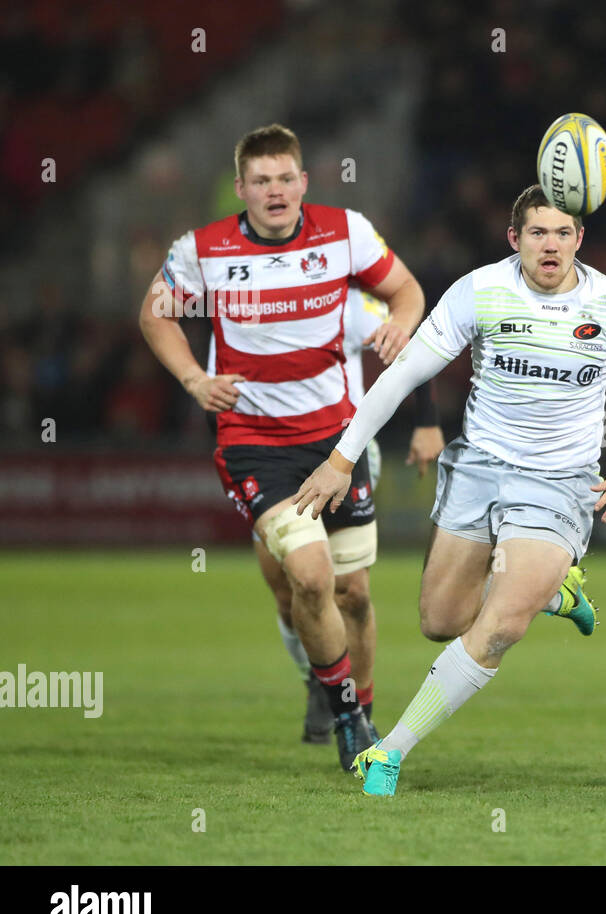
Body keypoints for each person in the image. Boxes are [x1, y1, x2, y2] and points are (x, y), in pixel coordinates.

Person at [293, 185, 606, 797]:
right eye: (536, 233)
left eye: (562, 233)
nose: (549, 245)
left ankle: (389, 752)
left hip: (558, 486)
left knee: (500, 626)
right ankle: (556, 594)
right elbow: (402, 376)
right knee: (439, 621)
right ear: (514, 240)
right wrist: (340, 461)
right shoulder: (480, 290)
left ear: (580, 240)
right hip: (478, 469)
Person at [138, 123, 426, 771]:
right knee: (309, 577)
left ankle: (362, 704)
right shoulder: (203, 250)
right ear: (240, 188)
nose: (275, 191)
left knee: (352, 591)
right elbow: (155, 313)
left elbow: (406, 291)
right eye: (261, 180)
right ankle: (347, 716)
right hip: (256, 446)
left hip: (336, 444)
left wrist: (401, 326)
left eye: (285, 178)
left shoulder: (345, 231)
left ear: (304, 182)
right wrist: (194, 378)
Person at [211, 285, 446, 745]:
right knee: (291, 592)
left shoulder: (344, 298)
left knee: (352, 591)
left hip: (341, 453)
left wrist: (428, 419)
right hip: (267, 460)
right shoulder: (235, 305)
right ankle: (317, 680)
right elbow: (215, 391)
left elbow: (414, 345)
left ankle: (358, 715)